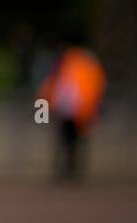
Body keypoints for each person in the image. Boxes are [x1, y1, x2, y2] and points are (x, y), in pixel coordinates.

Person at [36, 40, 106, 182]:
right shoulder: (78, 66)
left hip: (75, 112)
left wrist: (42, 113)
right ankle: (67, 172)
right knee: (68, 143)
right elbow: (49, 90)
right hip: (70, 112)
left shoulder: (74, 66)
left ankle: (69, 172)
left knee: (70, 143)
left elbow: (49, 89)